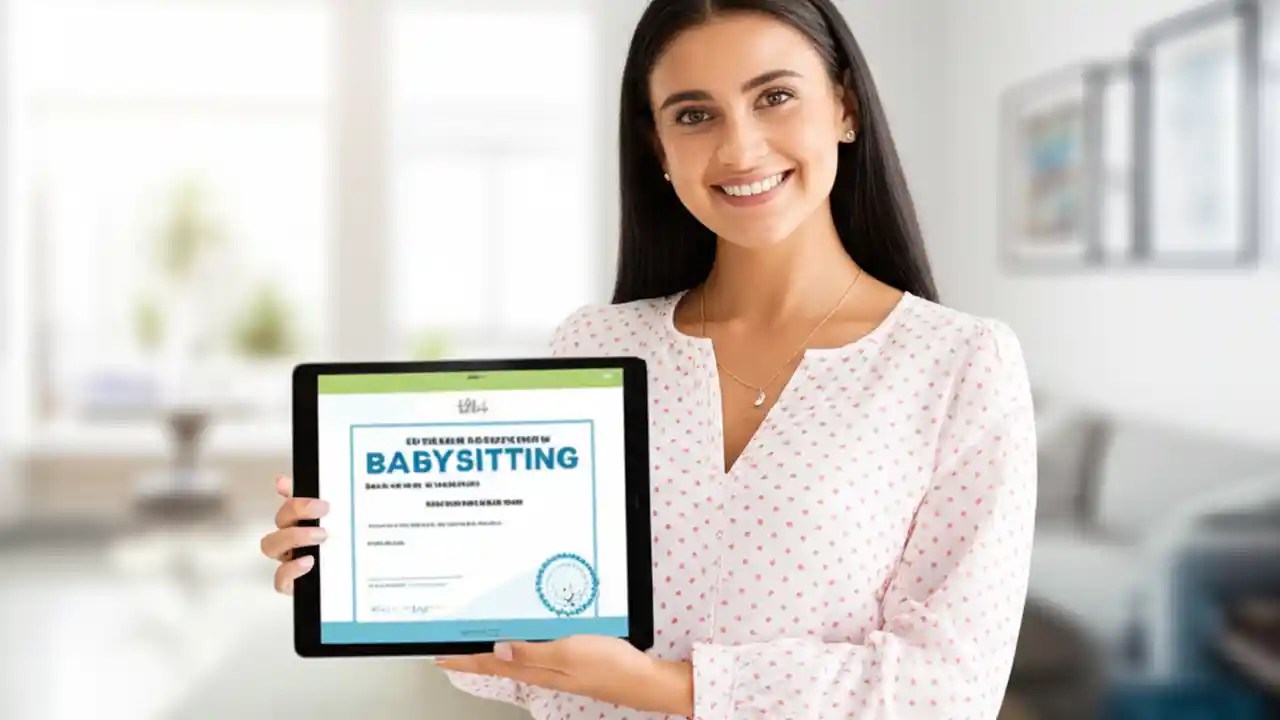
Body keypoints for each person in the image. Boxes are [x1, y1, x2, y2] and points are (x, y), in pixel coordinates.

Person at [259, 0, 1038, 717]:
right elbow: (513, 649)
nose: (739, 146)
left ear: (844, 105)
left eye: (774, 97)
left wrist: (661, 686)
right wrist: (371, 561)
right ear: (657, 147)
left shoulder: (960, 363)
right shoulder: (597, 345)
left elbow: (948, 689)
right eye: (694, 114)